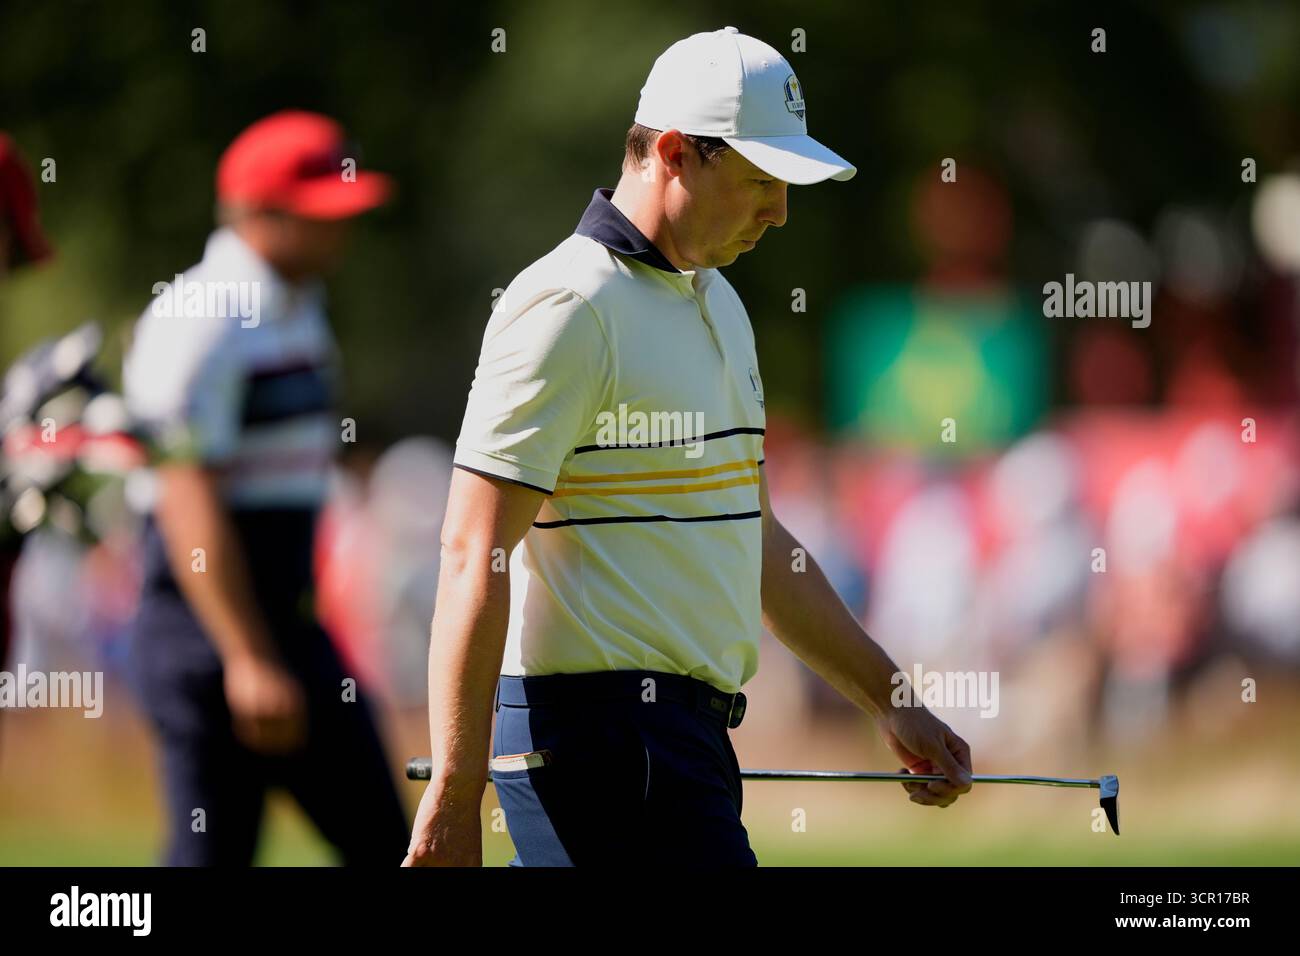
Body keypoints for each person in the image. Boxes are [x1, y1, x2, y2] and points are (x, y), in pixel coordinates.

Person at [404, 27, 973, 867]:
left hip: (688, 742)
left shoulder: (721, 304)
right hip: (593, 741)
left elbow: (758, 543)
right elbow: (472, 549)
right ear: (674, 153)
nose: (779, 211)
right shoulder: (566, 305)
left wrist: (891, 698)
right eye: (758, 182)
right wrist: (454, 796)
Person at [123, 111, 408, 865]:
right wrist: (246, 655)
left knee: (388, 841)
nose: (340, 231)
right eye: (322, 214)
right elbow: (184, 490)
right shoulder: (204, 315)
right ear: (260, 213)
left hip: (283, 625)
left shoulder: (296, 301)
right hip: (208, 630)